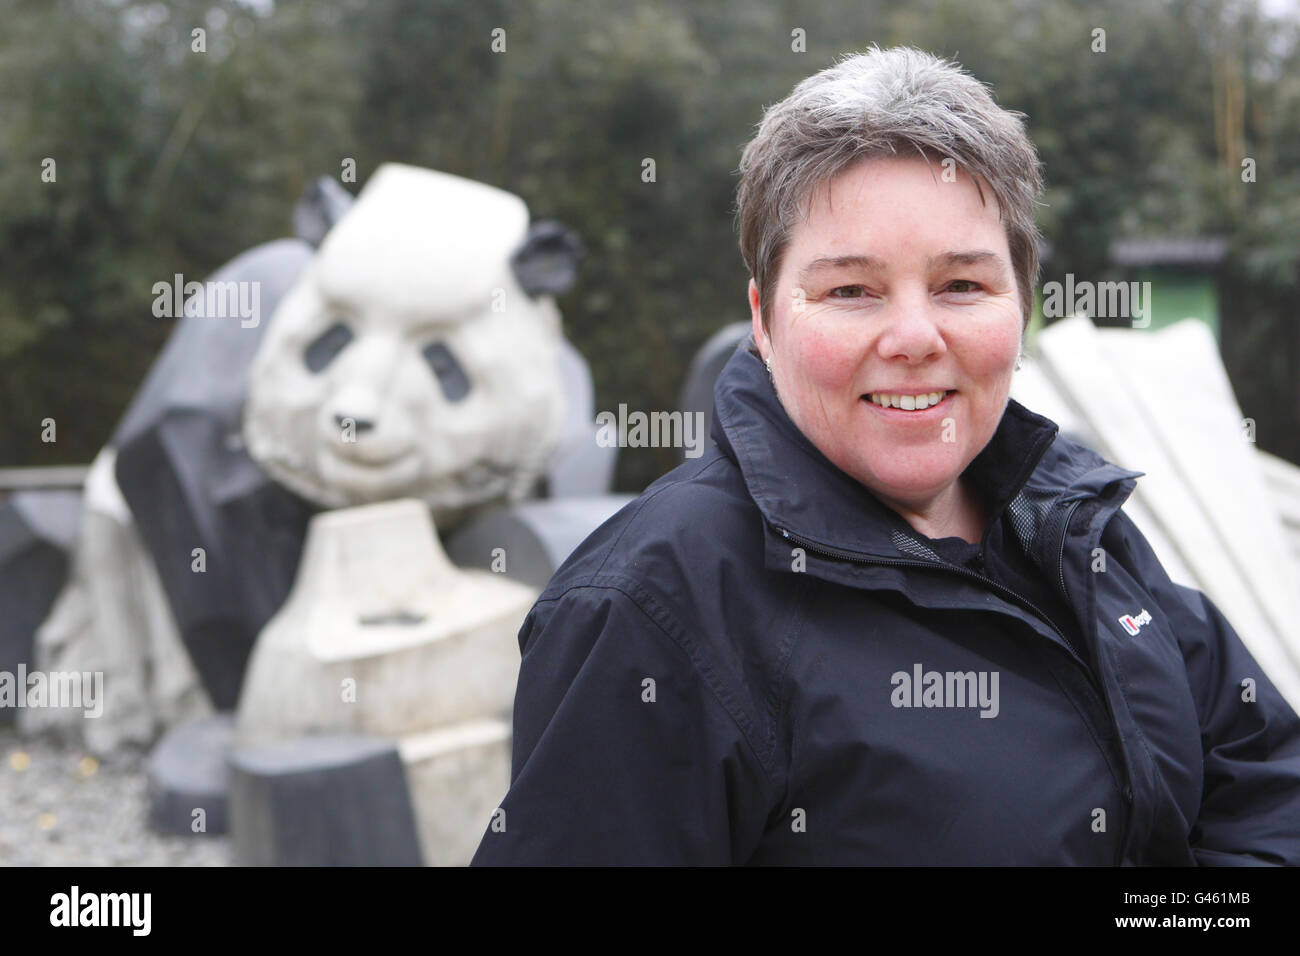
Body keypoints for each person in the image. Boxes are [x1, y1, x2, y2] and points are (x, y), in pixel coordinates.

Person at [471, 45, 1300, 865]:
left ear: (1021, 305)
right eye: (851, 291)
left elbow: (1268, 784)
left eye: (961, 286)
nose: (913, 337)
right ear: (764, 319)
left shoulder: (1074, 523)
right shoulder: (653, 608)